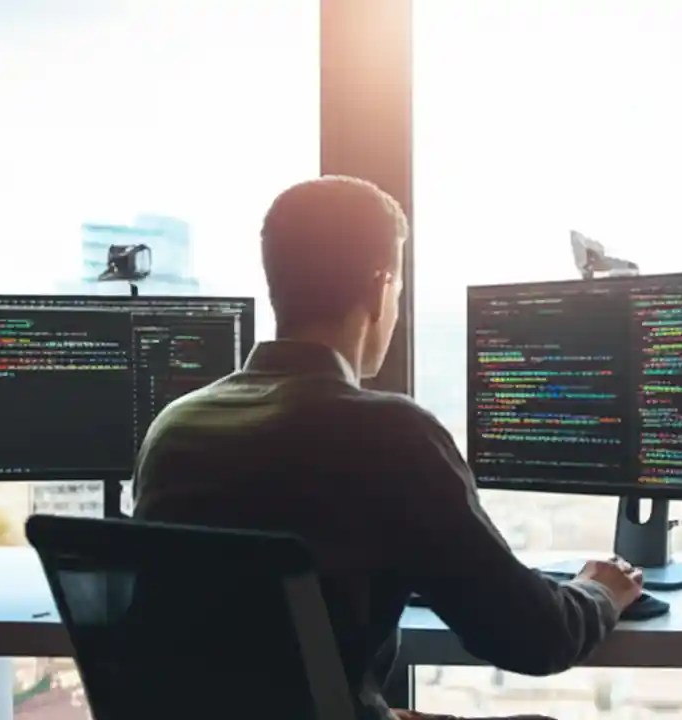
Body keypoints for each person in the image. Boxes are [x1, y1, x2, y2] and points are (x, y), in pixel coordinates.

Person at [132, 176, 644, 720]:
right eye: (398, 288)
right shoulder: (391, 435)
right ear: (380, 288)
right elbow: (533, 638)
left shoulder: (174, 428)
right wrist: (599, 591)